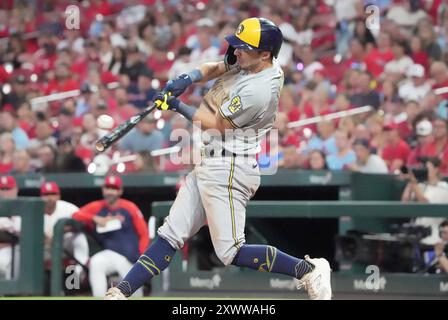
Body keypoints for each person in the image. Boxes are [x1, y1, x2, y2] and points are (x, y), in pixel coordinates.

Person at [106, 17, 332, 300]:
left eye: (244, 48)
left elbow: (216, 124)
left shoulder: (260, 89)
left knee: (231, 251)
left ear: (265, 54)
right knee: (170, 234)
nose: (237, 52)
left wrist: (176, 105)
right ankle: (120, 293)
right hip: (212, 162)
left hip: (230, 165)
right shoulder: (254, 61)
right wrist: (187, 78)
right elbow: (217, 65)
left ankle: (307, 270)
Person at [73, 175, 149, 297]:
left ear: (120, 191)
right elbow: (75, 215)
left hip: (129, 257)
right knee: (96, 263)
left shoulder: (129, 207)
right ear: (103, 189)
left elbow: (144, 234)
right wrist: (94, 218)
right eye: (107, 188)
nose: (110, 192)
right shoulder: (97, 207)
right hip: (110, 253)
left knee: (135, 295)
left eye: (114, 188)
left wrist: (141, 256)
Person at [40, 181, 89, 278]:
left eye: (53, 194)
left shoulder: (68, 208)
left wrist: (62, 231)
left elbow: (83, 223)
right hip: (43, 247)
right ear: (41, 196)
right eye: (46, 194)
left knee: (79, 237)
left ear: (59, 196)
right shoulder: (35, 209)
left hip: (64, 243)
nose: (50, 198)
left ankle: (79, 274)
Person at [401, 157, 448, 245]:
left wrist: (414, 182)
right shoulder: (421, 186)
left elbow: (426, 204)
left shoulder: (443, 187)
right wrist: (410, 182)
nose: (425, 171)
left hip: (433, 237)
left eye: (428, 168)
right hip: (417, 234)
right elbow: (405, 201)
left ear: (436, 169)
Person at [0, 175, 20, 279]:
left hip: (18, 250)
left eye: (8, 189)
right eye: (2, 189)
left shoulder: (26, 208)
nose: (4, 193)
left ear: (16, 189)